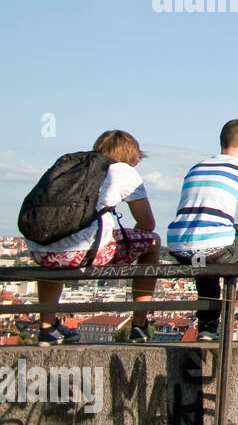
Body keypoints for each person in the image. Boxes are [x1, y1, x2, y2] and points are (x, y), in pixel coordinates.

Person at [24, 130, 160, 345]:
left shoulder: (70, 166)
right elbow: (147, 225)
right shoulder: (122, 170)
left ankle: (47, 328)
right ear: (131, 155)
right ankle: (139, 326)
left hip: (40, 250)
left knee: (58, 246)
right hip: (85, 252)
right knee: (153, 242)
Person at [166, 119, 238, 341]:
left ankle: (207, 326)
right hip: (213, 246)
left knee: (204, 254)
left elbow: (201, 220)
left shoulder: (196, 168)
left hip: (179, 247)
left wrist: (236, 227)